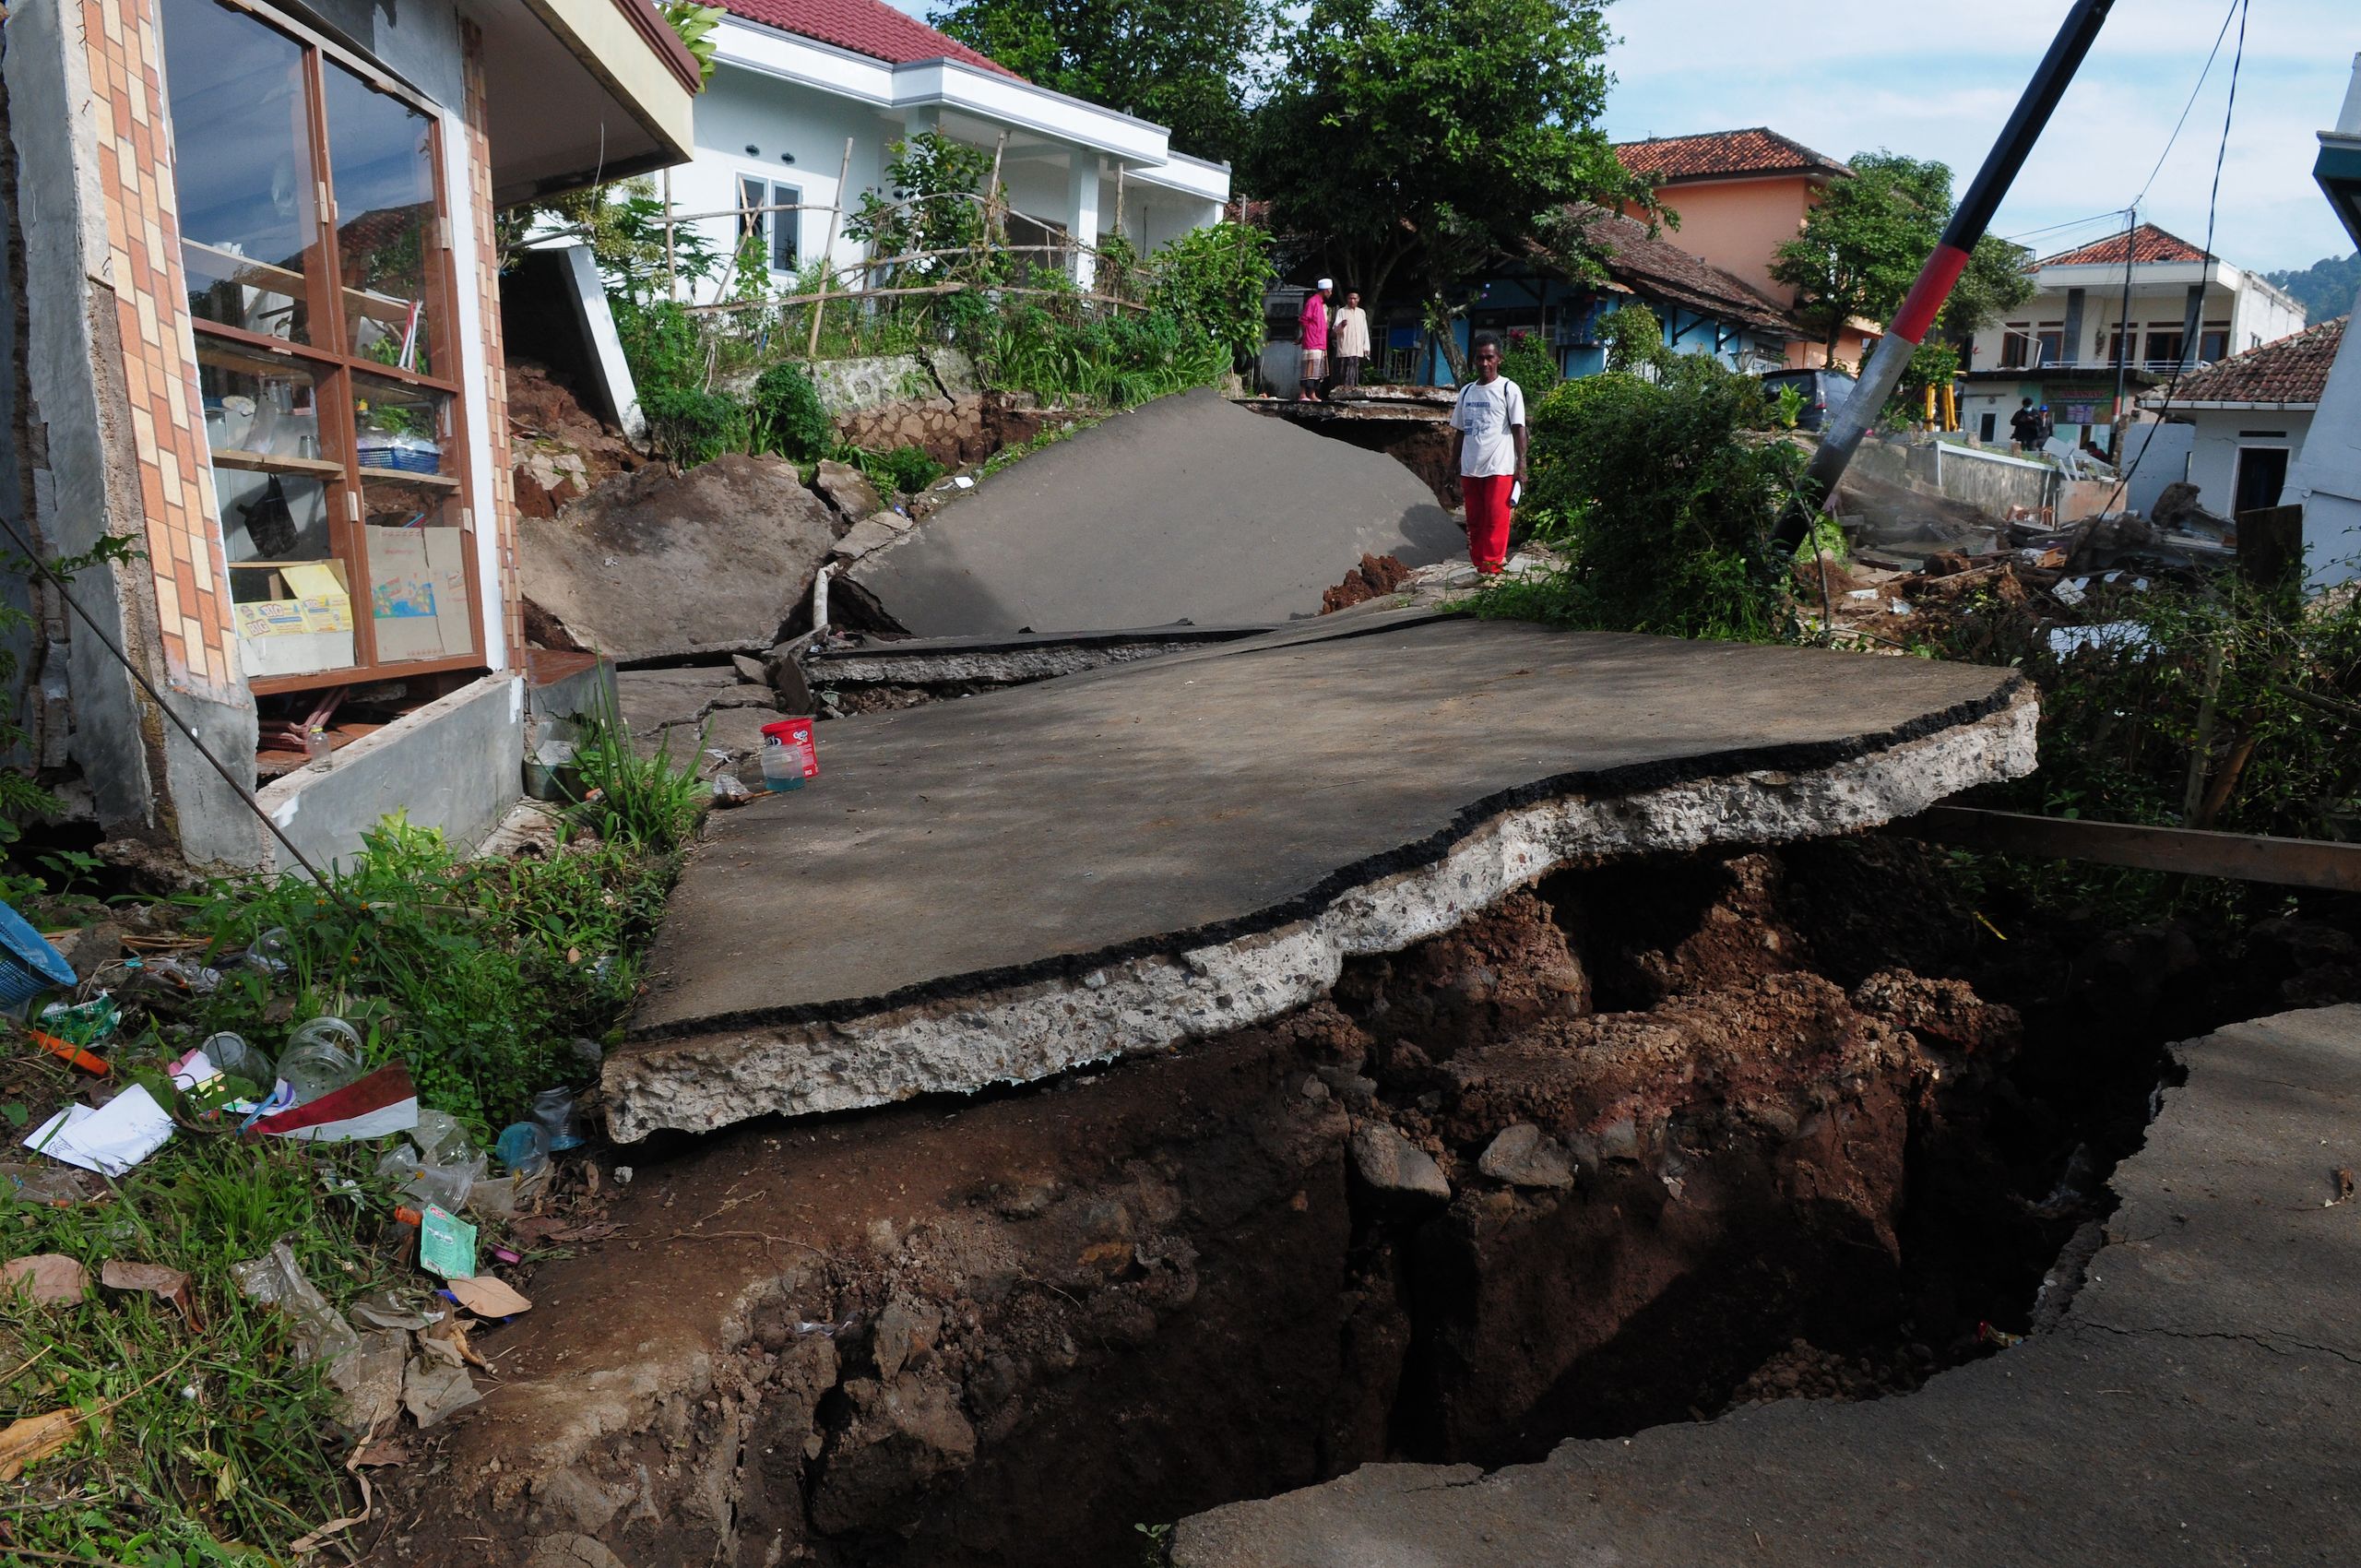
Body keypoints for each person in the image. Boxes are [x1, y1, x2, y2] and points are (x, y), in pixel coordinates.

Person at [1448, 334, 1527, 576]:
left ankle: (1492, 568)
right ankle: (1481, 568)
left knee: (1496, 519)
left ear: (1499, 359)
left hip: (1499, 467)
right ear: (1474, 360)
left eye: (1489, 358)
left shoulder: (1508, 389)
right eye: (1480, 358)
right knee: (1475, 521)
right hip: (1471, 468)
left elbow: (1519, 429)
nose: (1484, 363)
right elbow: (1460, 432)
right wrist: (1452, 466)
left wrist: (1521, 466)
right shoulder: (1466, 392)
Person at [1297, 279, 1332, 402]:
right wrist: (1305, 335)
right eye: (1330, 291)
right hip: (1312, 341)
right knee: (1308, 369)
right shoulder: (1312, 302)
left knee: (1316, 370)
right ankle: (1302, 394)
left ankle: (1312, 394)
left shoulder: (1322, 304)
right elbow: (1304, 320)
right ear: (1325, 290)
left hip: (1321, 342)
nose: (1331, 293)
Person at [1332, 289, 1370, 392]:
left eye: (1354, 298)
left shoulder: (1361, 313)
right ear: (1347, 299)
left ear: (1358, 299)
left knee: (1354, 374)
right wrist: (1342, 325)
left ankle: (1353, 393)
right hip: (1345, 349)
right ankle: (1343, 393)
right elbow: (1335, 330)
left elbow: (1364, 330)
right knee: (1344, 373)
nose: (1352, 301)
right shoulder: (1342, 312)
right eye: (1350, 298)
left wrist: (1366, 346)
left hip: (1357, 349)